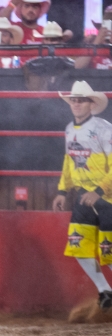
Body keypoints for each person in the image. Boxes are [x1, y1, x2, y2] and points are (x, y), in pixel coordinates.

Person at [53, 81, 112, 313]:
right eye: (73, 100)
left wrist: (99, 191)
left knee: (109, 253)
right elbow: (69, 162)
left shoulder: (105, 129)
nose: (76, 103)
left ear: (91, 103)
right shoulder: (69, 129)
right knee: (79, 247)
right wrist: (62, 191)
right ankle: (105, 290)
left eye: (81, 100)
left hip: (107, 199)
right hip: (82, 197)